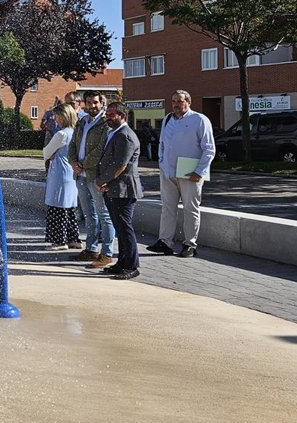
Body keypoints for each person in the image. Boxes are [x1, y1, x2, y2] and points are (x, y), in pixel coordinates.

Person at [149, 90, 215, 258]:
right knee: (167, 208)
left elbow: (209, 149)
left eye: (179, 101)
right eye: (173, 101)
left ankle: (190, 244)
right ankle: (165, 242)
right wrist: (162, 164)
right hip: (168, 172)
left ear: (189, 102)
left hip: (190, 172)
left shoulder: (199, 120)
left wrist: (199, 171)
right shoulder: (167, 119)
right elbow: (163, 144)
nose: (176, 105)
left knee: (190, 209)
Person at [94, 101, 144, 280]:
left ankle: (131, 265)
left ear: (122, 116)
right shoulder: (114, 133)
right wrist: (105, 183)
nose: (107, 118)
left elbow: (120, 165)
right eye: (107, 114)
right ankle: (122, 263)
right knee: (119, 227)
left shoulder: (125, 136)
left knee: (124, 228)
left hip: (124, 190)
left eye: (111, 115)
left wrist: (101, 181)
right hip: (113, 188)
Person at [70, 92, 115, 266]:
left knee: (104, 214)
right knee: (89, 214)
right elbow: (73, 144)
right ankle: (91, 249)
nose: (92, 106)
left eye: (95, 102)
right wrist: (73, 162)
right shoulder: (82, 121)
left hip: (94, 175)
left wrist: (83, 164)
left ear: (101, 103)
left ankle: (107, 252)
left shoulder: (105, 123)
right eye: (89, 102)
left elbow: (101, 148)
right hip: (80, 175)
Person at [42, 103, 80, 249]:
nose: (55, 119)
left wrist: (52, 154)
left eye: (56, 116)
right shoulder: (76, 132)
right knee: (69, 207)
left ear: (63, 116)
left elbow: (46, 152)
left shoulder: (61, 134)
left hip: (59, 172)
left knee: (57, 206)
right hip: (71, 172)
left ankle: (59, 241)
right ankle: (73, 238)